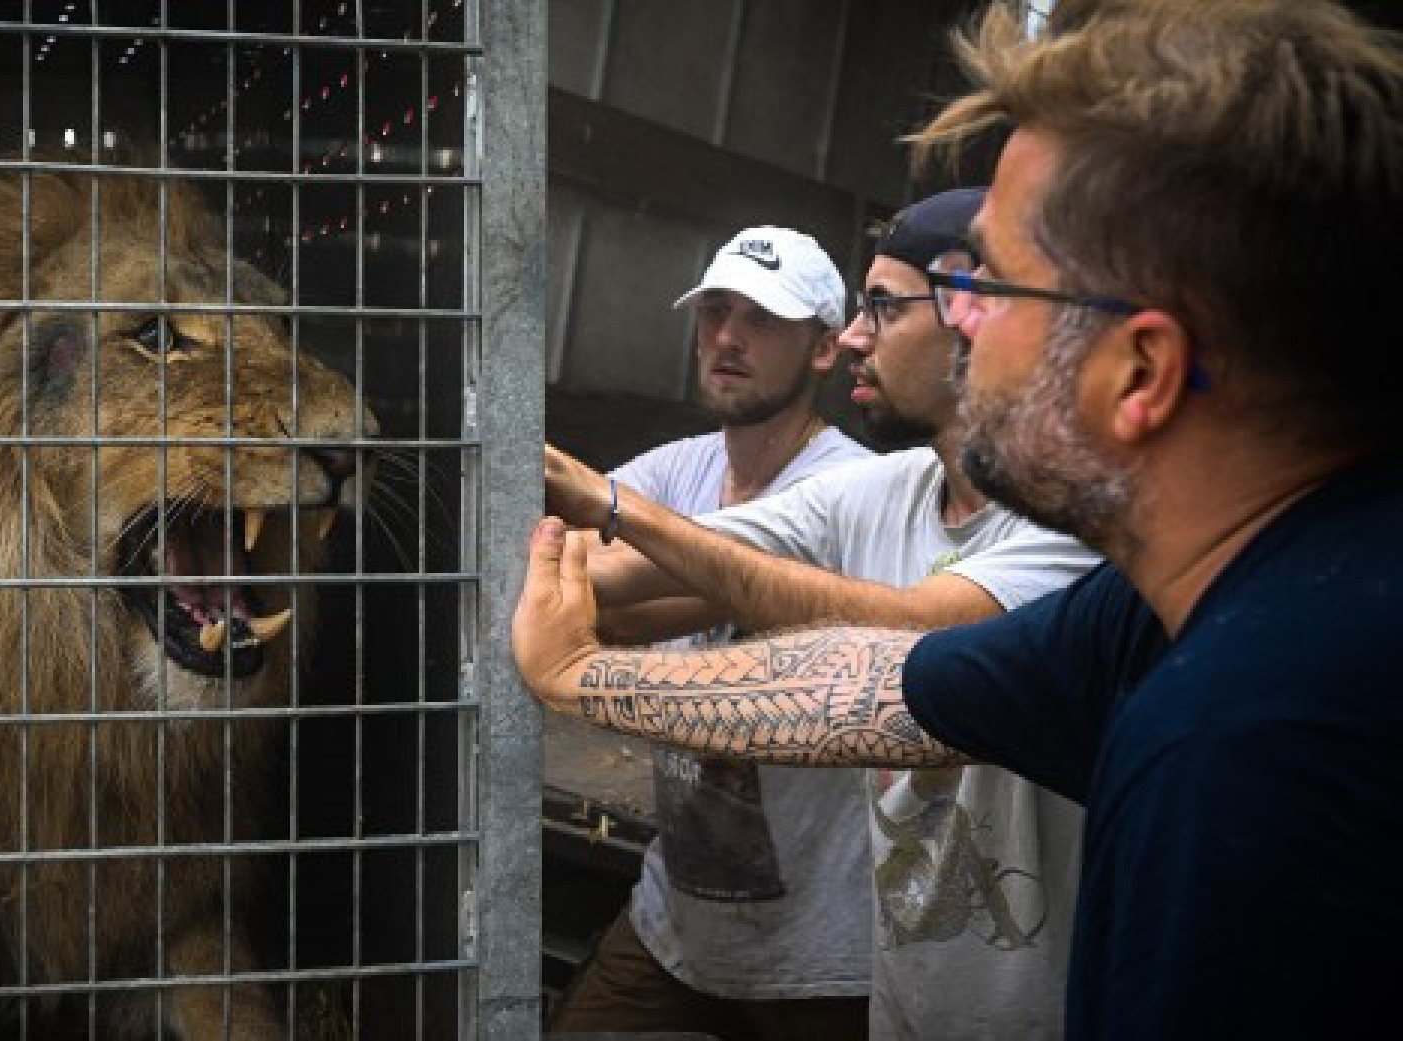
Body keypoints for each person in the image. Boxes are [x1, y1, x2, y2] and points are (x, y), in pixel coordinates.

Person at [512, 1, 1403, 1037]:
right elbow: (887, 684)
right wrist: (584, 675)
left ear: (1141, 373)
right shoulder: (1175, 606)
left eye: (991, 285)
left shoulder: (1246, 758)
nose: (959, 323)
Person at [550, 188, 1098, 1039]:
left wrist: (584, 655)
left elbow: (916, 641)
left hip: (937, 984)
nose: (854, 336)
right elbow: (696, 567)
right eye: (716, 313)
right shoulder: (882, 487)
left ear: (979, 311)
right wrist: (550, 552)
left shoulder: (1076, 522)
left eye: (879, 305)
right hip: (887, 986)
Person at [547, 226, 874, 1039]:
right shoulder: (677, 471)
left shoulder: (850, 487)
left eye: (762, 318)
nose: (728, 336)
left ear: (826, 347)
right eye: (716, 312)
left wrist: (613, 585)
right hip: (680, 918)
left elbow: (599, 584)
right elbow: (561, 570)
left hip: (822, 949)